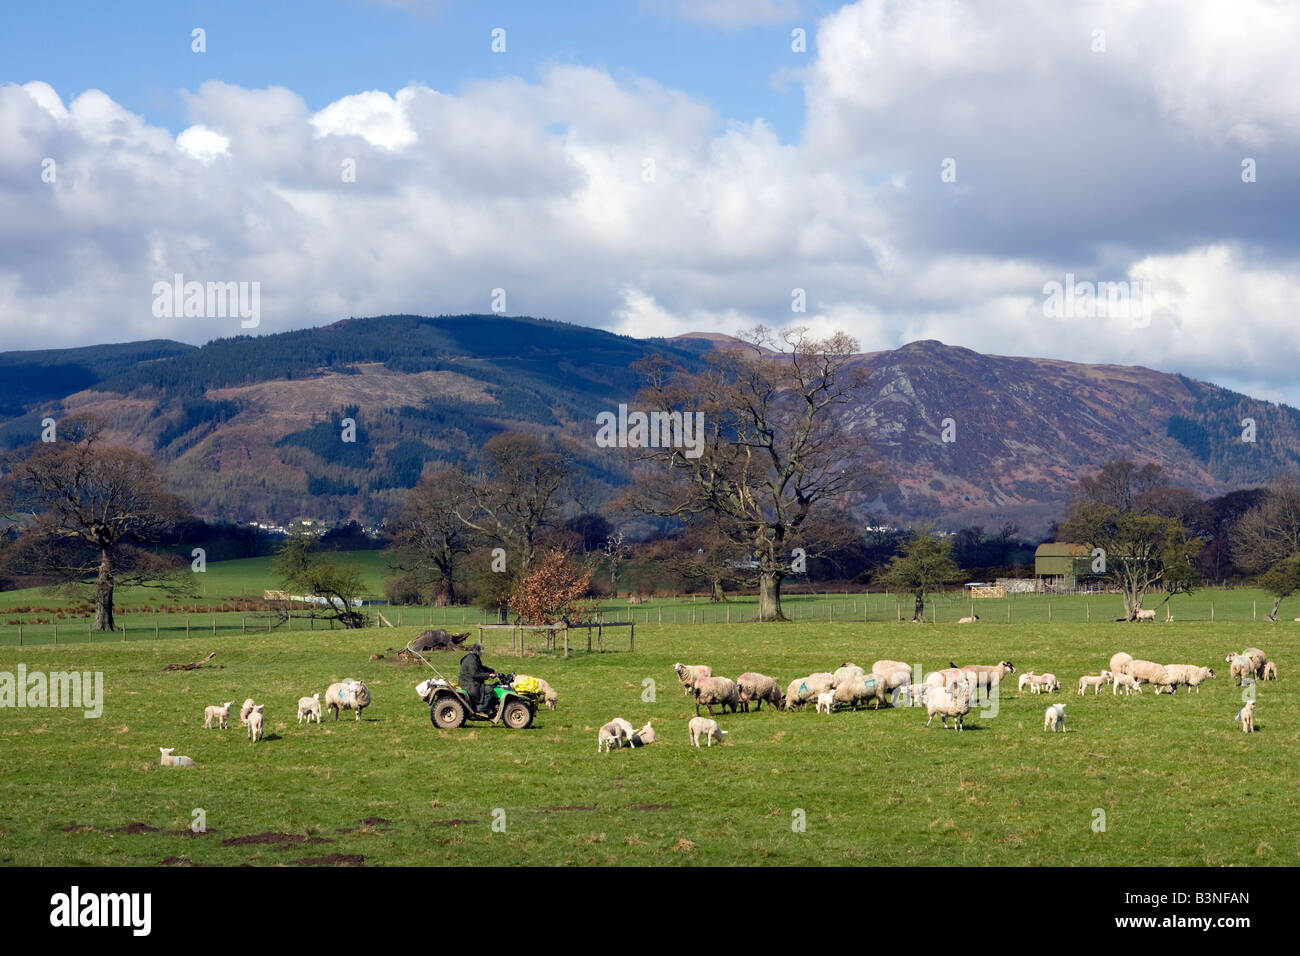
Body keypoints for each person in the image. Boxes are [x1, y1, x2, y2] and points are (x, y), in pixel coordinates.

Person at [458, 643, 498, 714]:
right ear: (477, 650)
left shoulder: (472, 657)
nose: (481, 653)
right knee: (490, 690)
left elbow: (480, 667)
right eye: (481, 651)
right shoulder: (472, 660)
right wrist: (488, 675)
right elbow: (475, 674)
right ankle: (481, 709)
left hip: (469, 682)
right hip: (470, 685)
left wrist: (491, 671)